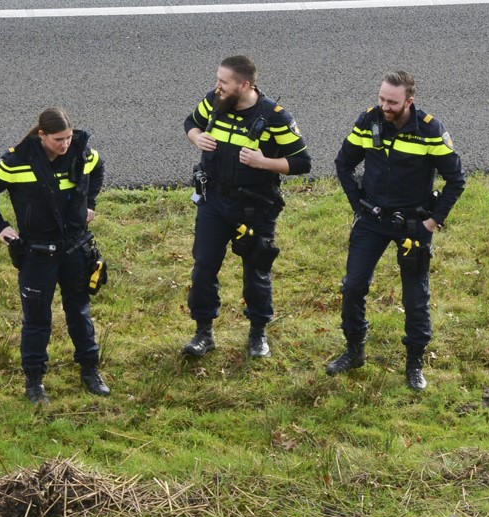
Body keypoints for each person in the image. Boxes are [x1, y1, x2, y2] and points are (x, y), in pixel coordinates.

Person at [326, 69, 466, 391]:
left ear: (409, 101)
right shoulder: (368, 121)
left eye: (392, 102)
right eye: (381, 99)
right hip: (372, 222)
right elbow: (343, 162)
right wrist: (356, 203)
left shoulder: (431, 130)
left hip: (414, 225)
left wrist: (433, 221)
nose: (384, 107)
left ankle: (414, 364)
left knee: (415, 296)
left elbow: (456, 179)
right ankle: (354, 350)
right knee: (353, 286)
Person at [0, 106, 107, 404]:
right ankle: (34, 382)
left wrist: (91, 203)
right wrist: (1, 228)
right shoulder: (16, 163)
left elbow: (98, 168)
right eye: (58, 139)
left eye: (69, 137)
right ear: (42, 135)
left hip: (75, 249)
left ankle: (90, 370)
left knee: (80, 311)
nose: (65, 145)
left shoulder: (83, 154)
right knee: (37, 320)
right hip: (37, 254)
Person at [182, 55, 310, 359]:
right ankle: (203, 333)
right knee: (203, 267)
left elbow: (303, 162)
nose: (217, 87)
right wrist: (197, 138)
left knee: (256, 271)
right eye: (217, 80)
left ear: (245, 85)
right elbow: (191, 123)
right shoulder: (215, 101)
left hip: (255, 207)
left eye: (223, 82)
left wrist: (263, 162)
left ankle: (257, 333)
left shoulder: (276, 117)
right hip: (213, 202)